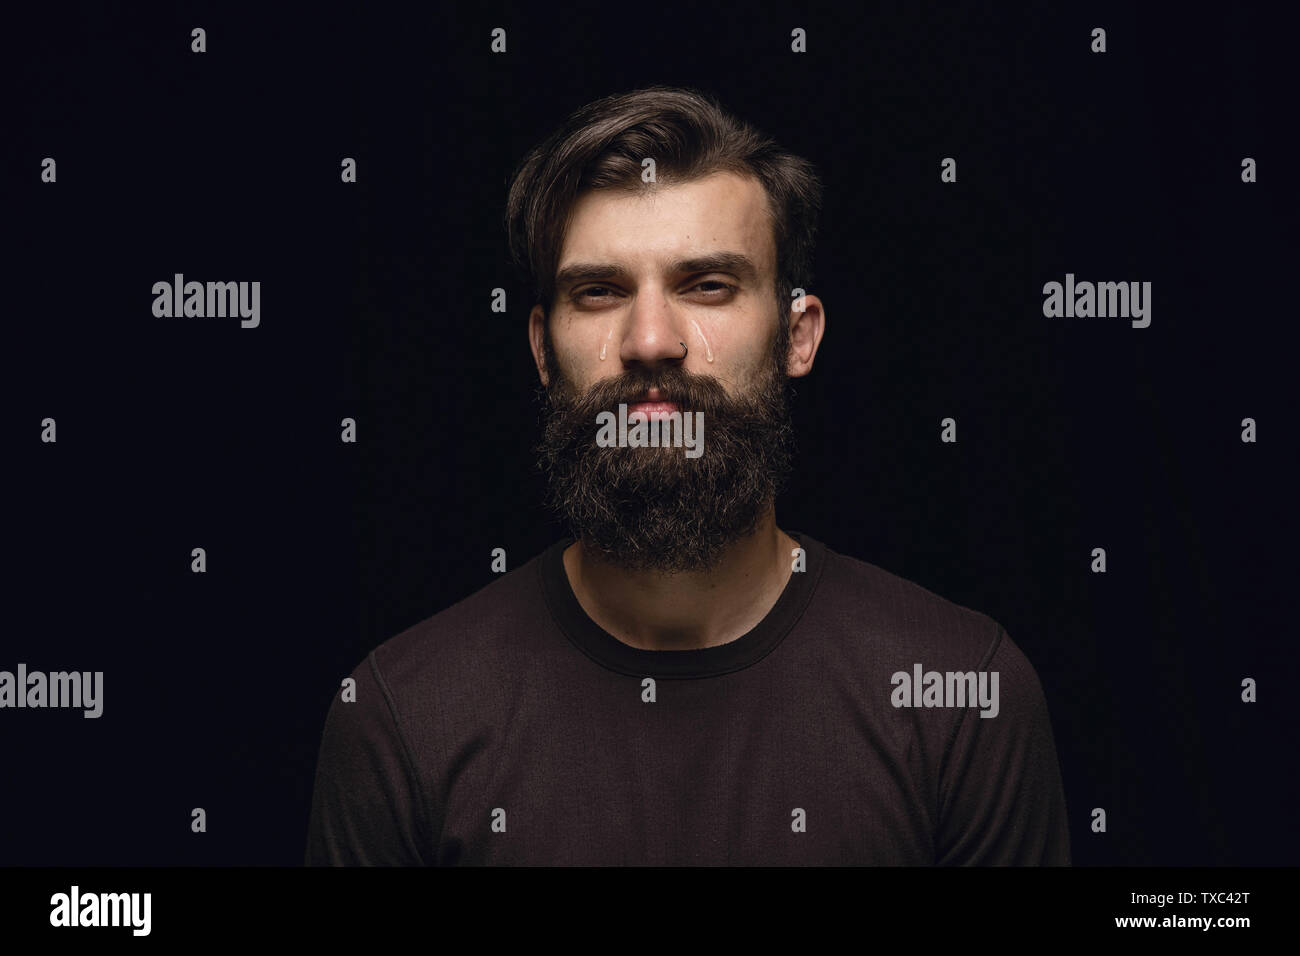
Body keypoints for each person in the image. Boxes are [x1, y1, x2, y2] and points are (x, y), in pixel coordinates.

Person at [305, 85, 1071, 865]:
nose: (650, 340)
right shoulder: (404, 715)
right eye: (599, 292)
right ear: (542, 350)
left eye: (707, 285)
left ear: (797, 335)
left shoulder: (962, 694)